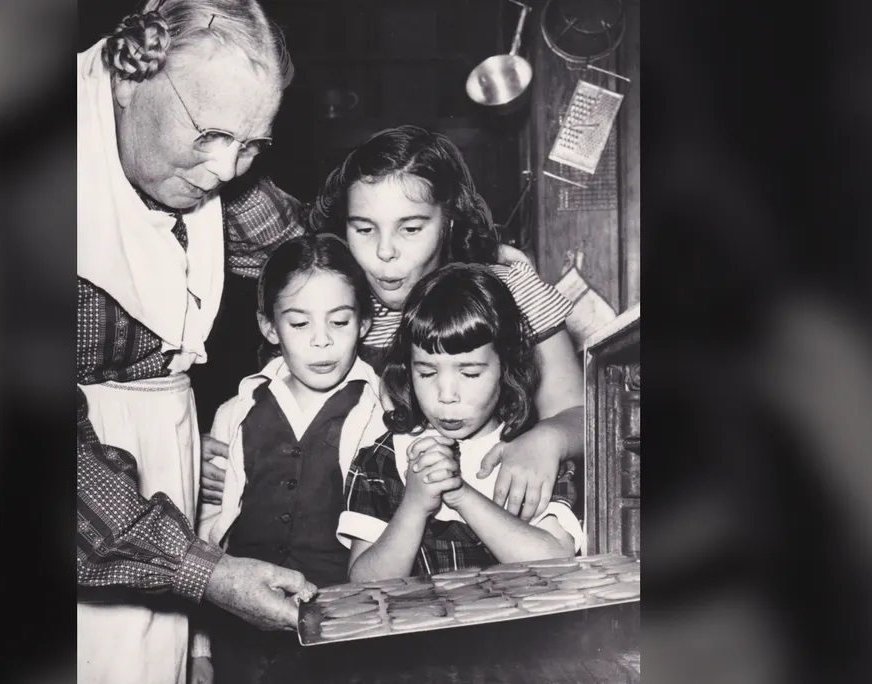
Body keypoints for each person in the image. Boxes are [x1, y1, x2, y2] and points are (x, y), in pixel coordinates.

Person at [77, 3, 316, 683]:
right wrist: (202, 571)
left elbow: (292, 252)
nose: (227, 169)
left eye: (252, 144)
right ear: (129, 78)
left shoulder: (205, 169)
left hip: (163, 464)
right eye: (211, 134)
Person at [203, 125, 584, 524]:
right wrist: (223, 456)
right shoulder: (339, 307)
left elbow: (579, 411)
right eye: (364, 229)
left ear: (449, 220)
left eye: (411, 228)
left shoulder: (511, 290)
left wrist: (548, 439)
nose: (385, 251)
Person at [189, 233, 387, 683]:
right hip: (238, 641)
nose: (322, 341)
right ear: (269, 327)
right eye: (299, 324)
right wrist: (198, 646)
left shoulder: (383, 415)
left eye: (340, 321)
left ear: (364, 323)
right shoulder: (236, 413)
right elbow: (203, 533)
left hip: (342, 643)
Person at [339, 264, 584, 579]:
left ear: (507, 367)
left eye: (469, 373)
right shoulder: (382, 459)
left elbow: (556, 563)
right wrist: (414, 507)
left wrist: (460, 495)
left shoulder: (531, 456)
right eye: (427, 372)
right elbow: (363, 584)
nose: (446, 395)